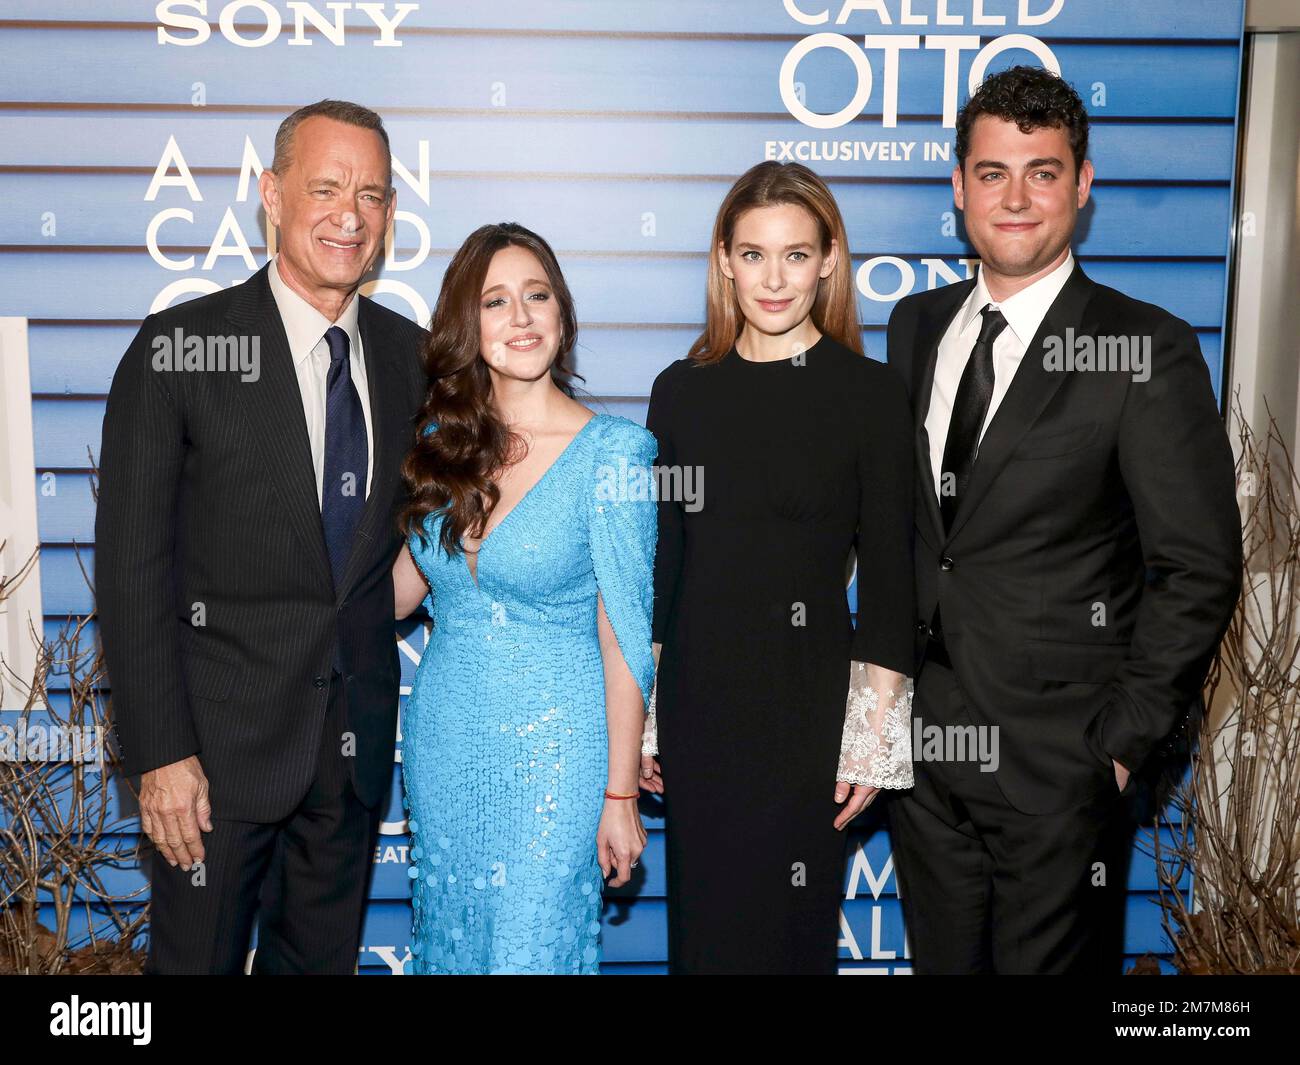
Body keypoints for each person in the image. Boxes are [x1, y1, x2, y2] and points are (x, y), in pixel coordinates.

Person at [884, 65, 1243, 974]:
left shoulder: (1143, 346)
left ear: (1081, 187)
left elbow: (1198, 567)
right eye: (992, 172)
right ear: (959, 185)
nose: (1015, 197)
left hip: (1060, 773)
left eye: (1041, 172)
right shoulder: (915, 326)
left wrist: (1116, 752)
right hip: (926, 765)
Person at [96, 99, 428, 974]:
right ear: (271, 195)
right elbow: (131, 570)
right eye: (325, 187)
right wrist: (162, 754)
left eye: (372, 193)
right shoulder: (180, 348)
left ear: (391, 214)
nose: (349, 214)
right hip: (210, 762)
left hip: (349, 760)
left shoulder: (414, 358)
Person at [642, 161, 916, 974]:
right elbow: (665, 565)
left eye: (796, 255)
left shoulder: (870, 395)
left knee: (794, 942)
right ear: (724, 260)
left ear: (829, 260)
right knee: (706, 939)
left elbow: (894, 578)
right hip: (699, 714)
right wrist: (648, 719)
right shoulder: (681, 392)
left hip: (809, 713)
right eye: (754, 254)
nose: (774, 277)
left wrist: (871, 740)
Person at [392, 222, 656, 974]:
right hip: (446, 746)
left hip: (557, 756)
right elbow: (400, 596)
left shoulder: (614, 453)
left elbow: (624, 636)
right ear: (467, 328)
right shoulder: (446, 444)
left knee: (526, 952)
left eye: (537, 296)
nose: (522, 317)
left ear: (563, 314)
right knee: (456, 946)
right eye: (496, 301)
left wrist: (620, 791)